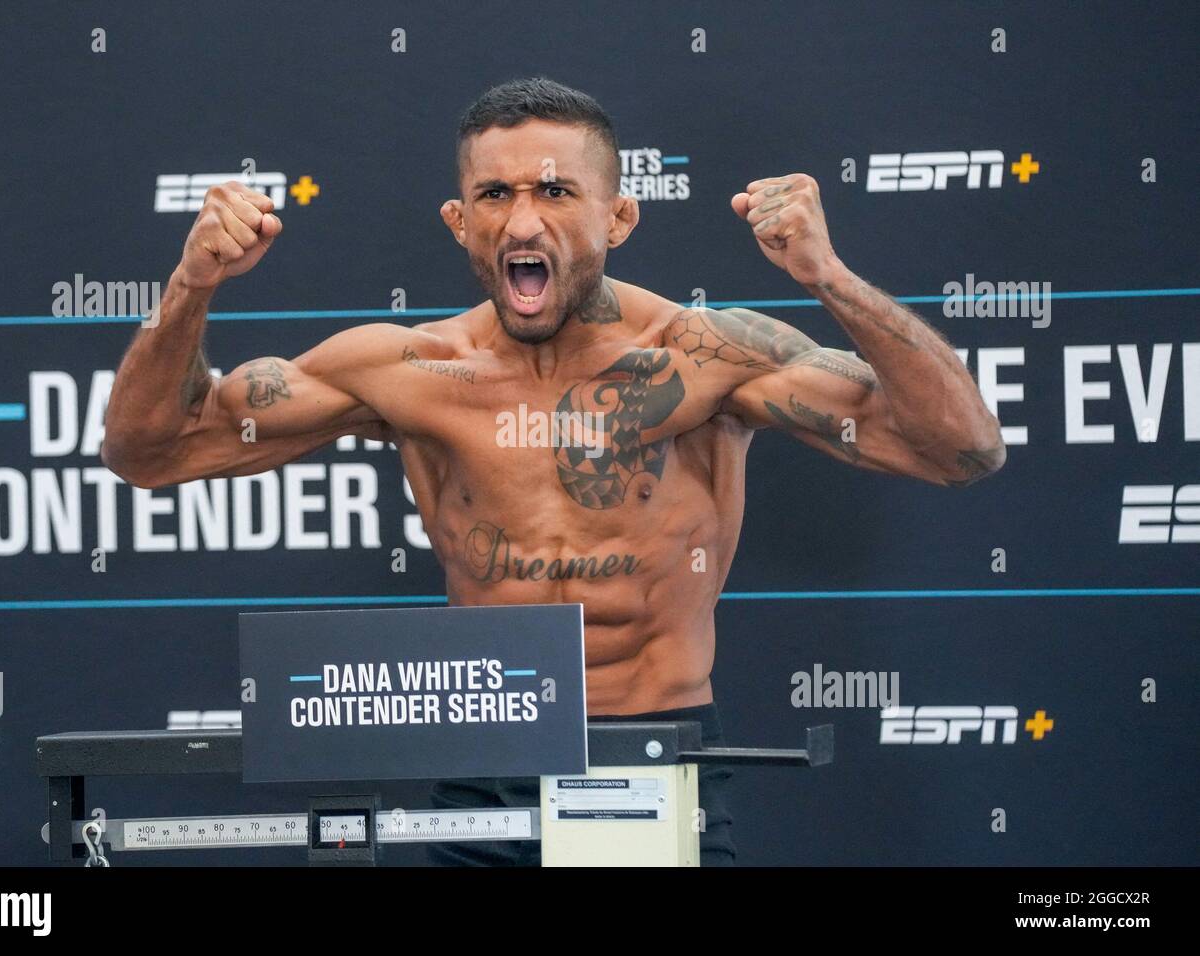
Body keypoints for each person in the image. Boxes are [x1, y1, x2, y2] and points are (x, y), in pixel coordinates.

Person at [101, 77, 1004, 866]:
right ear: (461, 222)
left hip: (650, 749)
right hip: (480, 756)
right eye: (493, 193)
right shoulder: (408, 368)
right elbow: (150, 451)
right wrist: (193, 283)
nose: (523, 219)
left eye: (556, 190)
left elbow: (959, 448)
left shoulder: (704, 356)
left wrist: (829, 276)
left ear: (618, 216)